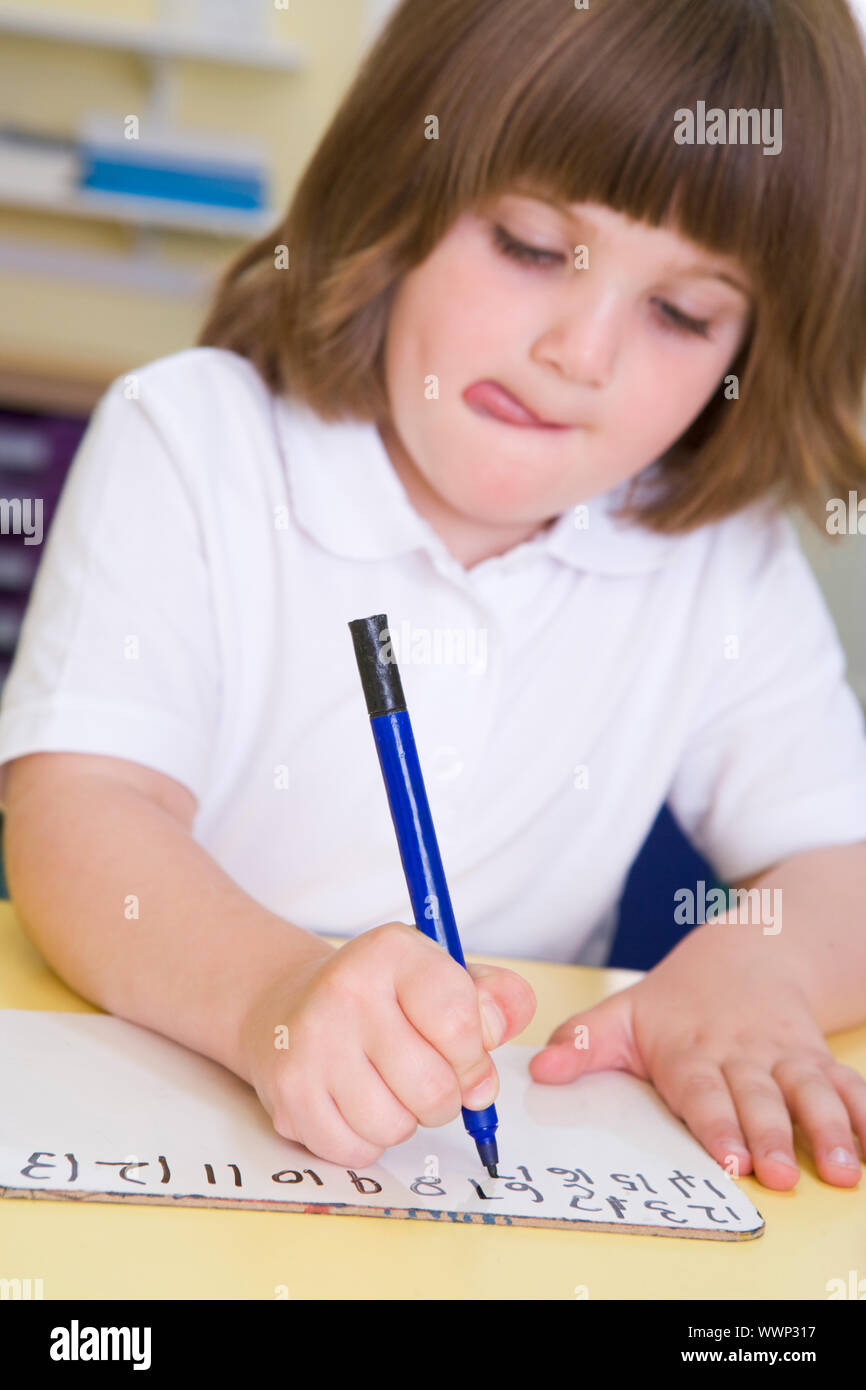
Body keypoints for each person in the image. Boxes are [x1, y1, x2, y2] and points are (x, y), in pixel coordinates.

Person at [2, 0, 865, 1192]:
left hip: (469, 1167)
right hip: (170, 1106)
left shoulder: (717, 553)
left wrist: (752, 972)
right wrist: (276, 994)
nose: (582, 351)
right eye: (524, 243)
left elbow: (841, 857)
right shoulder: (191, 440)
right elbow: (75, 814)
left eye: (680, 312)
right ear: (394, 198)